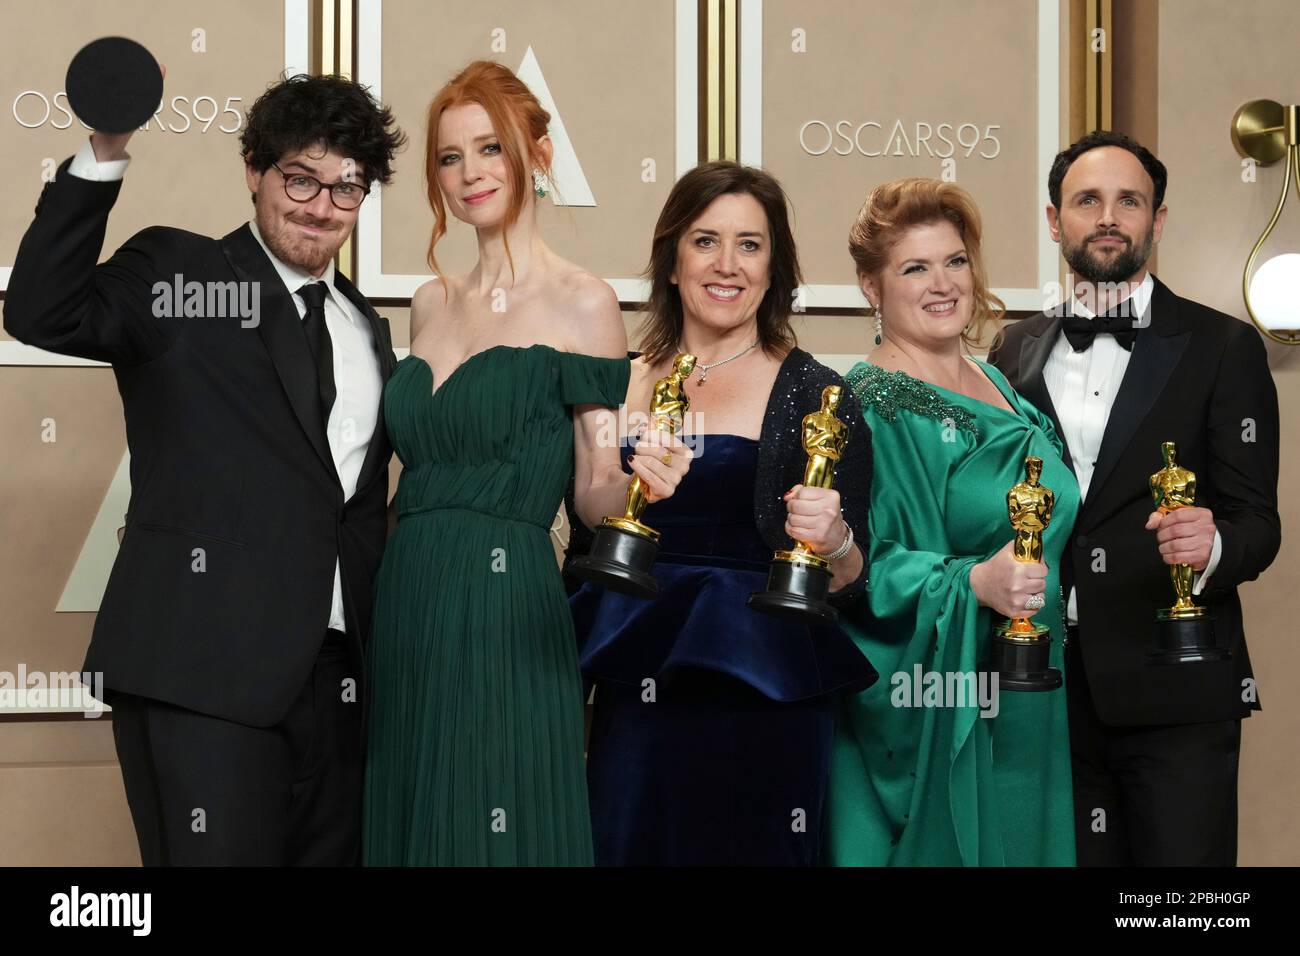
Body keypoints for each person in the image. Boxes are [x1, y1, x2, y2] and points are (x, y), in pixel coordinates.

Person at [3, 71, 406, 865]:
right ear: (254, 169)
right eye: (300, 178)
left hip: (343, 688)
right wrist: (105, 151)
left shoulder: (368, 325)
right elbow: (42, 309)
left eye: (347, 188)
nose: (321, 206)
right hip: (202, 672)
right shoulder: (183, 278)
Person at [360, 61, 667, 866]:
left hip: (508, 607)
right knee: (415, 811)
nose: (468, 175)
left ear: (537, 152)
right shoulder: (429, 303)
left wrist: (643, 484)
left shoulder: (584, 302)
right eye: (449, 157)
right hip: (407, 600)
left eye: (489, 148)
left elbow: (596, 492)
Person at [565, 160, 877, 866]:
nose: (726, 264)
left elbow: (854, 575)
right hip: (640, 669)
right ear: (672, 260)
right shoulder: (622, 376)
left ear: (775, 268)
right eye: (705, 241)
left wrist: (833, 539)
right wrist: (633, 481)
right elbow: (592, 510)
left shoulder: (818, 395)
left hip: (767, 684)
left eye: (750, 244)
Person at [989, 130, 1281, 866]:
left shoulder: (1224, 347)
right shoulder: (1010, 351)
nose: (1110, 216)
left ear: (1158, 218)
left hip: (1176, 686)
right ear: (1055, 221)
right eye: (1088, 200)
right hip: (1041, 688)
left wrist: (1209, 546)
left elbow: (1258, 525)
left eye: (1131, 200)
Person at [829, 178, 1078, 866]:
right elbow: (862, 570)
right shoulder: (872, 402)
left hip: (1030, 693)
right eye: (915, 267)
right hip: (944, 701)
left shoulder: (997, 380)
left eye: (955, 261)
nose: (943, 284)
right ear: (871, 288)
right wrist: (975, 582)